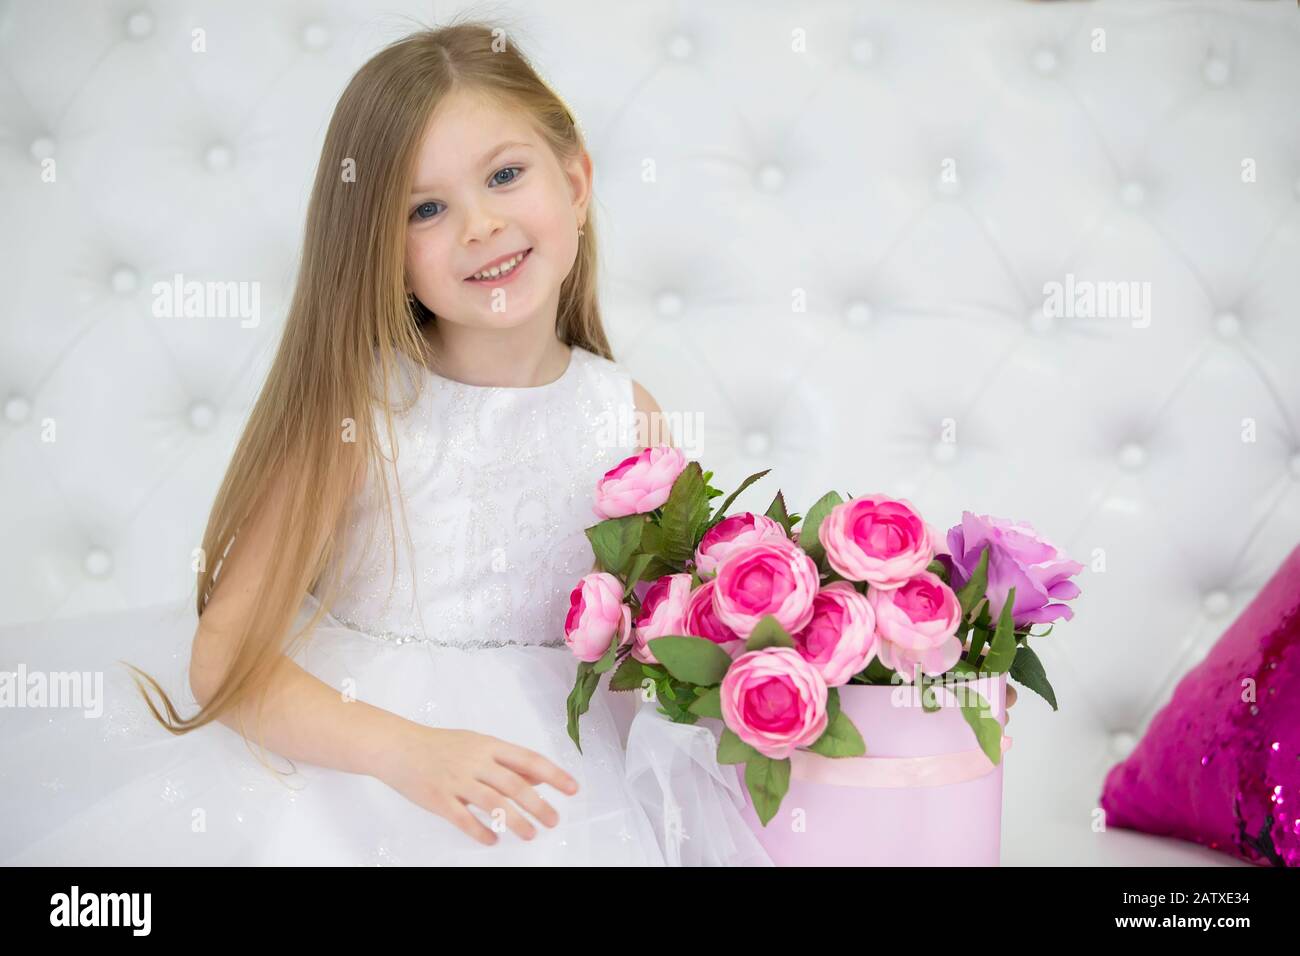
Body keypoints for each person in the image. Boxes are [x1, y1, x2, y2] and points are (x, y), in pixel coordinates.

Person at [0, 20, 772, 866]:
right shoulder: (363, 412)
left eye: (506, 174)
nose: (478, 224)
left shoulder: (625, 415)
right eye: (426, 209)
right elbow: (224, 658)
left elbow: (651, 643)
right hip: (355, 771)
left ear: (577, 183)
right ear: (381, 248)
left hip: (560, 791)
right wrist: (405, 751)